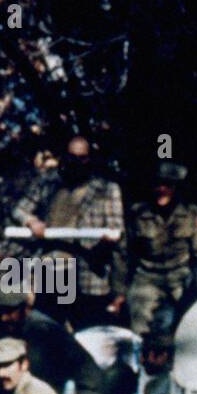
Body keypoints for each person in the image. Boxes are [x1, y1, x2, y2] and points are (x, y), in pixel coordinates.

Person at [12, 135, 126, 327]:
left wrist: (107, 241)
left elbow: (117, 232)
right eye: (72, 157)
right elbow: (19, 209)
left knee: (89, 335)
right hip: (52, 270)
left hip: (89, 275)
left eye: (82, 158)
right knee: (48, 332)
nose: (77, 163)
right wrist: (31, 222)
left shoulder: (107, 189)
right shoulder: (47, 183)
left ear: (89, 159)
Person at [125, 160, 197, 338]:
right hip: (147, 277)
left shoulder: (192, 213)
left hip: (180, 276)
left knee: (191, 322)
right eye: (157, 184)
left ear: (176, 188)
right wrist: (118, 292)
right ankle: (142, 358)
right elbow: (124, 253)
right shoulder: (138, 213)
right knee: (138, 319)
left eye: (167, 185)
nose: (161, 189)